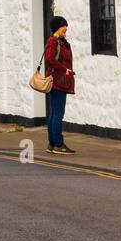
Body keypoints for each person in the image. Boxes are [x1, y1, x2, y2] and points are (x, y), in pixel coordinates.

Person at [43, 16, 76, 155]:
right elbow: (49, 58)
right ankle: (58, 144)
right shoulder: (53, 41)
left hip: (60, 81)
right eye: (64, 26)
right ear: (58, 27)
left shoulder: (60, 42)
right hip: (58, 81)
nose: (66, 28)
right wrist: (64, 69)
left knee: (54, 113)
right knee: (58, 114)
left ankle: (52, 144)